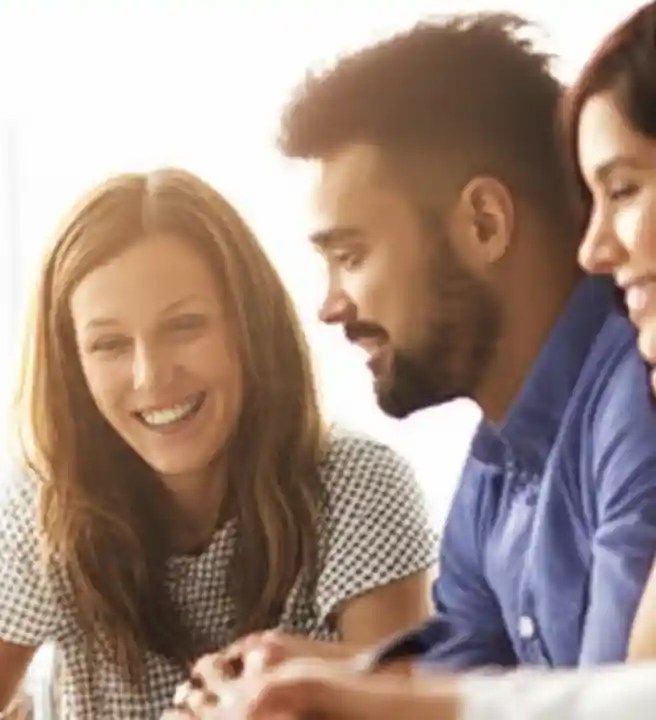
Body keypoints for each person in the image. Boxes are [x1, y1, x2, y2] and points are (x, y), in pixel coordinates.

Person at [163, 4, 656, 720]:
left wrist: (337, 690)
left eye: (351, 256)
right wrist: (308, 675)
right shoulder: (495, 468)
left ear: (484, 223)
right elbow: (469, 682)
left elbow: (615, 700)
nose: (330, 305)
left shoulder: (633, 408)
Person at [0, 167, 437, 718]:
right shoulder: (47, 506)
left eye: (185, 326)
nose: (150, 376)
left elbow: (398, 706)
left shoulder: (359, 485)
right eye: (110, 344)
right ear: (75, 368)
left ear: (249, 329)